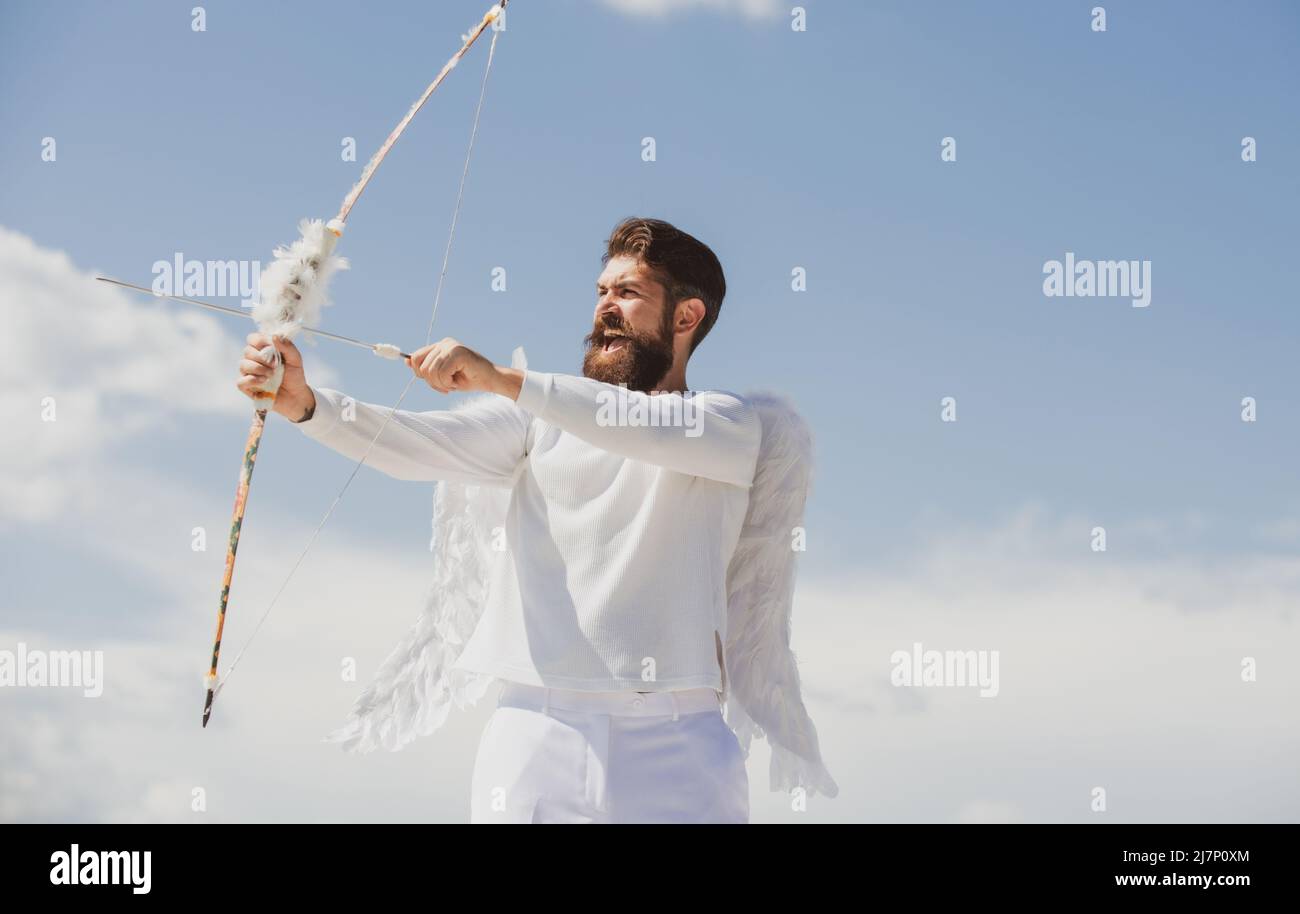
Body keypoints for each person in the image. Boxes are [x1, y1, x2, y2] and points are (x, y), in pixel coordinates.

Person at [237, 217, 834, 823]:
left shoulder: (728, 426)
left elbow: (633, 424)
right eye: (601, 291)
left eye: (628, 293)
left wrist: (501, 379)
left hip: (679, 744)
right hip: (534, 734)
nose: (605, 306)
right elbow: (416, 443)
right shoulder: (538, 421)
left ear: (686, 317)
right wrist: (307, 406)